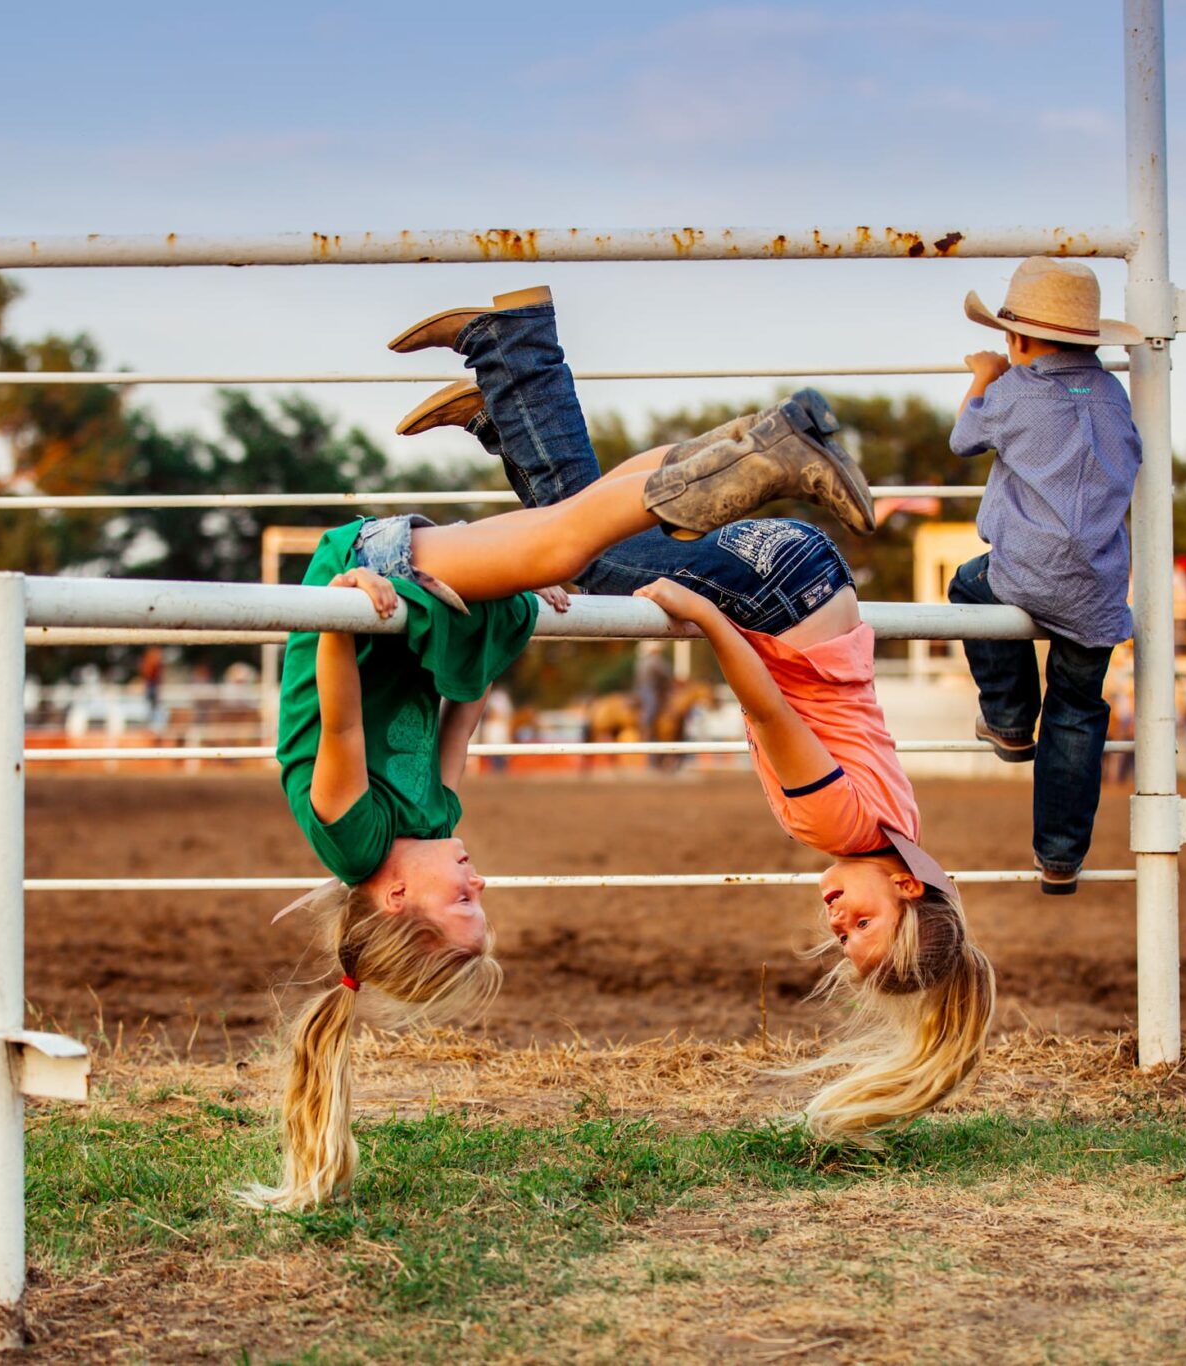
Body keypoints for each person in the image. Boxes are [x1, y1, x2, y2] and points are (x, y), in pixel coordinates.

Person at [245, 328, 876, 1212]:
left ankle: (761, 453)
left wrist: (339, 615)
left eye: (462, 903)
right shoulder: (433, 821)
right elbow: (459, 706)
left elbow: (340, 721)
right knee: (564, 549)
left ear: (395, 902)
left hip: (357, 591)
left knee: (561, 544)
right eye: (481, 900)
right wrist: (513, 607)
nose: (479, 881)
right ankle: (756, 437)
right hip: (423, 630)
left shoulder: (353, 843)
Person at [391, 286, 995, 1142]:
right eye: (861, 922)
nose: (833, 919)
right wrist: (705, 620)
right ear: (905, 888)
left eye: (839, 937)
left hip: (805, 583)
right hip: (777, 600)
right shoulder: (835, 821)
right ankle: (520, 354)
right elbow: (767, 706)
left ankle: (509, 400)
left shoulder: (899, 826)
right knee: (587, 554)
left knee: (592, 518)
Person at [945, 257, 1143, 895]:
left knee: (967, 587)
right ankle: (1060, 856)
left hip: (1028, 571)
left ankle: (1007, 716)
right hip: (1100, 585)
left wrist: (983, 378)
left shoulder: (1014, 390)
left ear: (1018, 340)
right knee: (1079, 709)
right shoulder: (1108, 392)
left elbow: (963, 439)